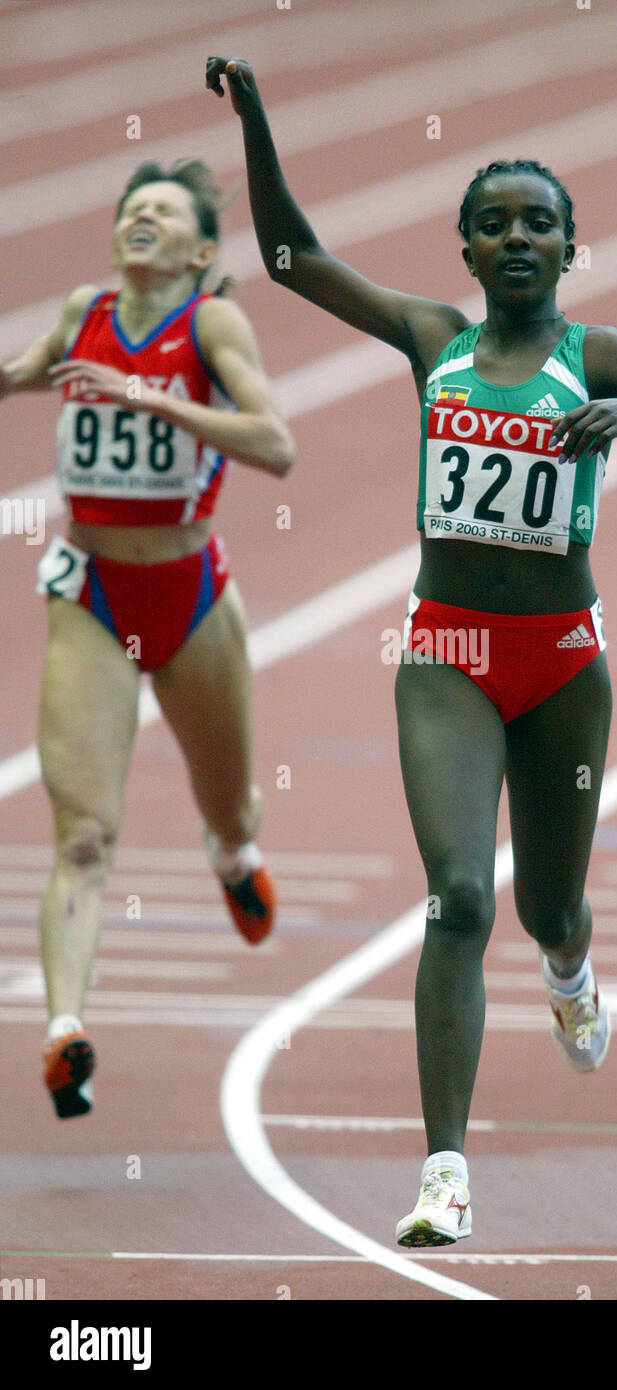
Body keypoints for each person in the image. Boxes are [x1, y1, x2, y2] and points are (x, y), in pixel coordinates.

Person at [205, 57, 617, 1246]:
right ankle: (445, 1171)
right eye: (493, 225)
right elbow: (289, 263)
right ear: (467, 255)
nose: (518, 238)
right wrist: (262, 119)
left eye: (539, 222)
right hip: (445, 655)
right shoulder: (430, 338)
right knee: (454, 897)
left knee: (547, 907)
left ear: (566, 247)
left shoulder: (603, 360)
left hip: (560, 667)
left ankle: (572, 965)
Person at [0, 158, 295, 1119]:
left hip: (191, 593)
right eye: (132, 206)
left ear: (201, 249)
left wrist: (154, 398)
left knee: (236, 805)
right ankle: (64, 1032)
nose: (142, 216)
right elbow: (24, 372)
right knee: (83, 832)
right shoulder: (86, 309)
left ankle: (232, 857)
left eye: (164, 210)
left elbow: (274, 443)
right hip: (91, 590)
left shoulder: (209, 322)